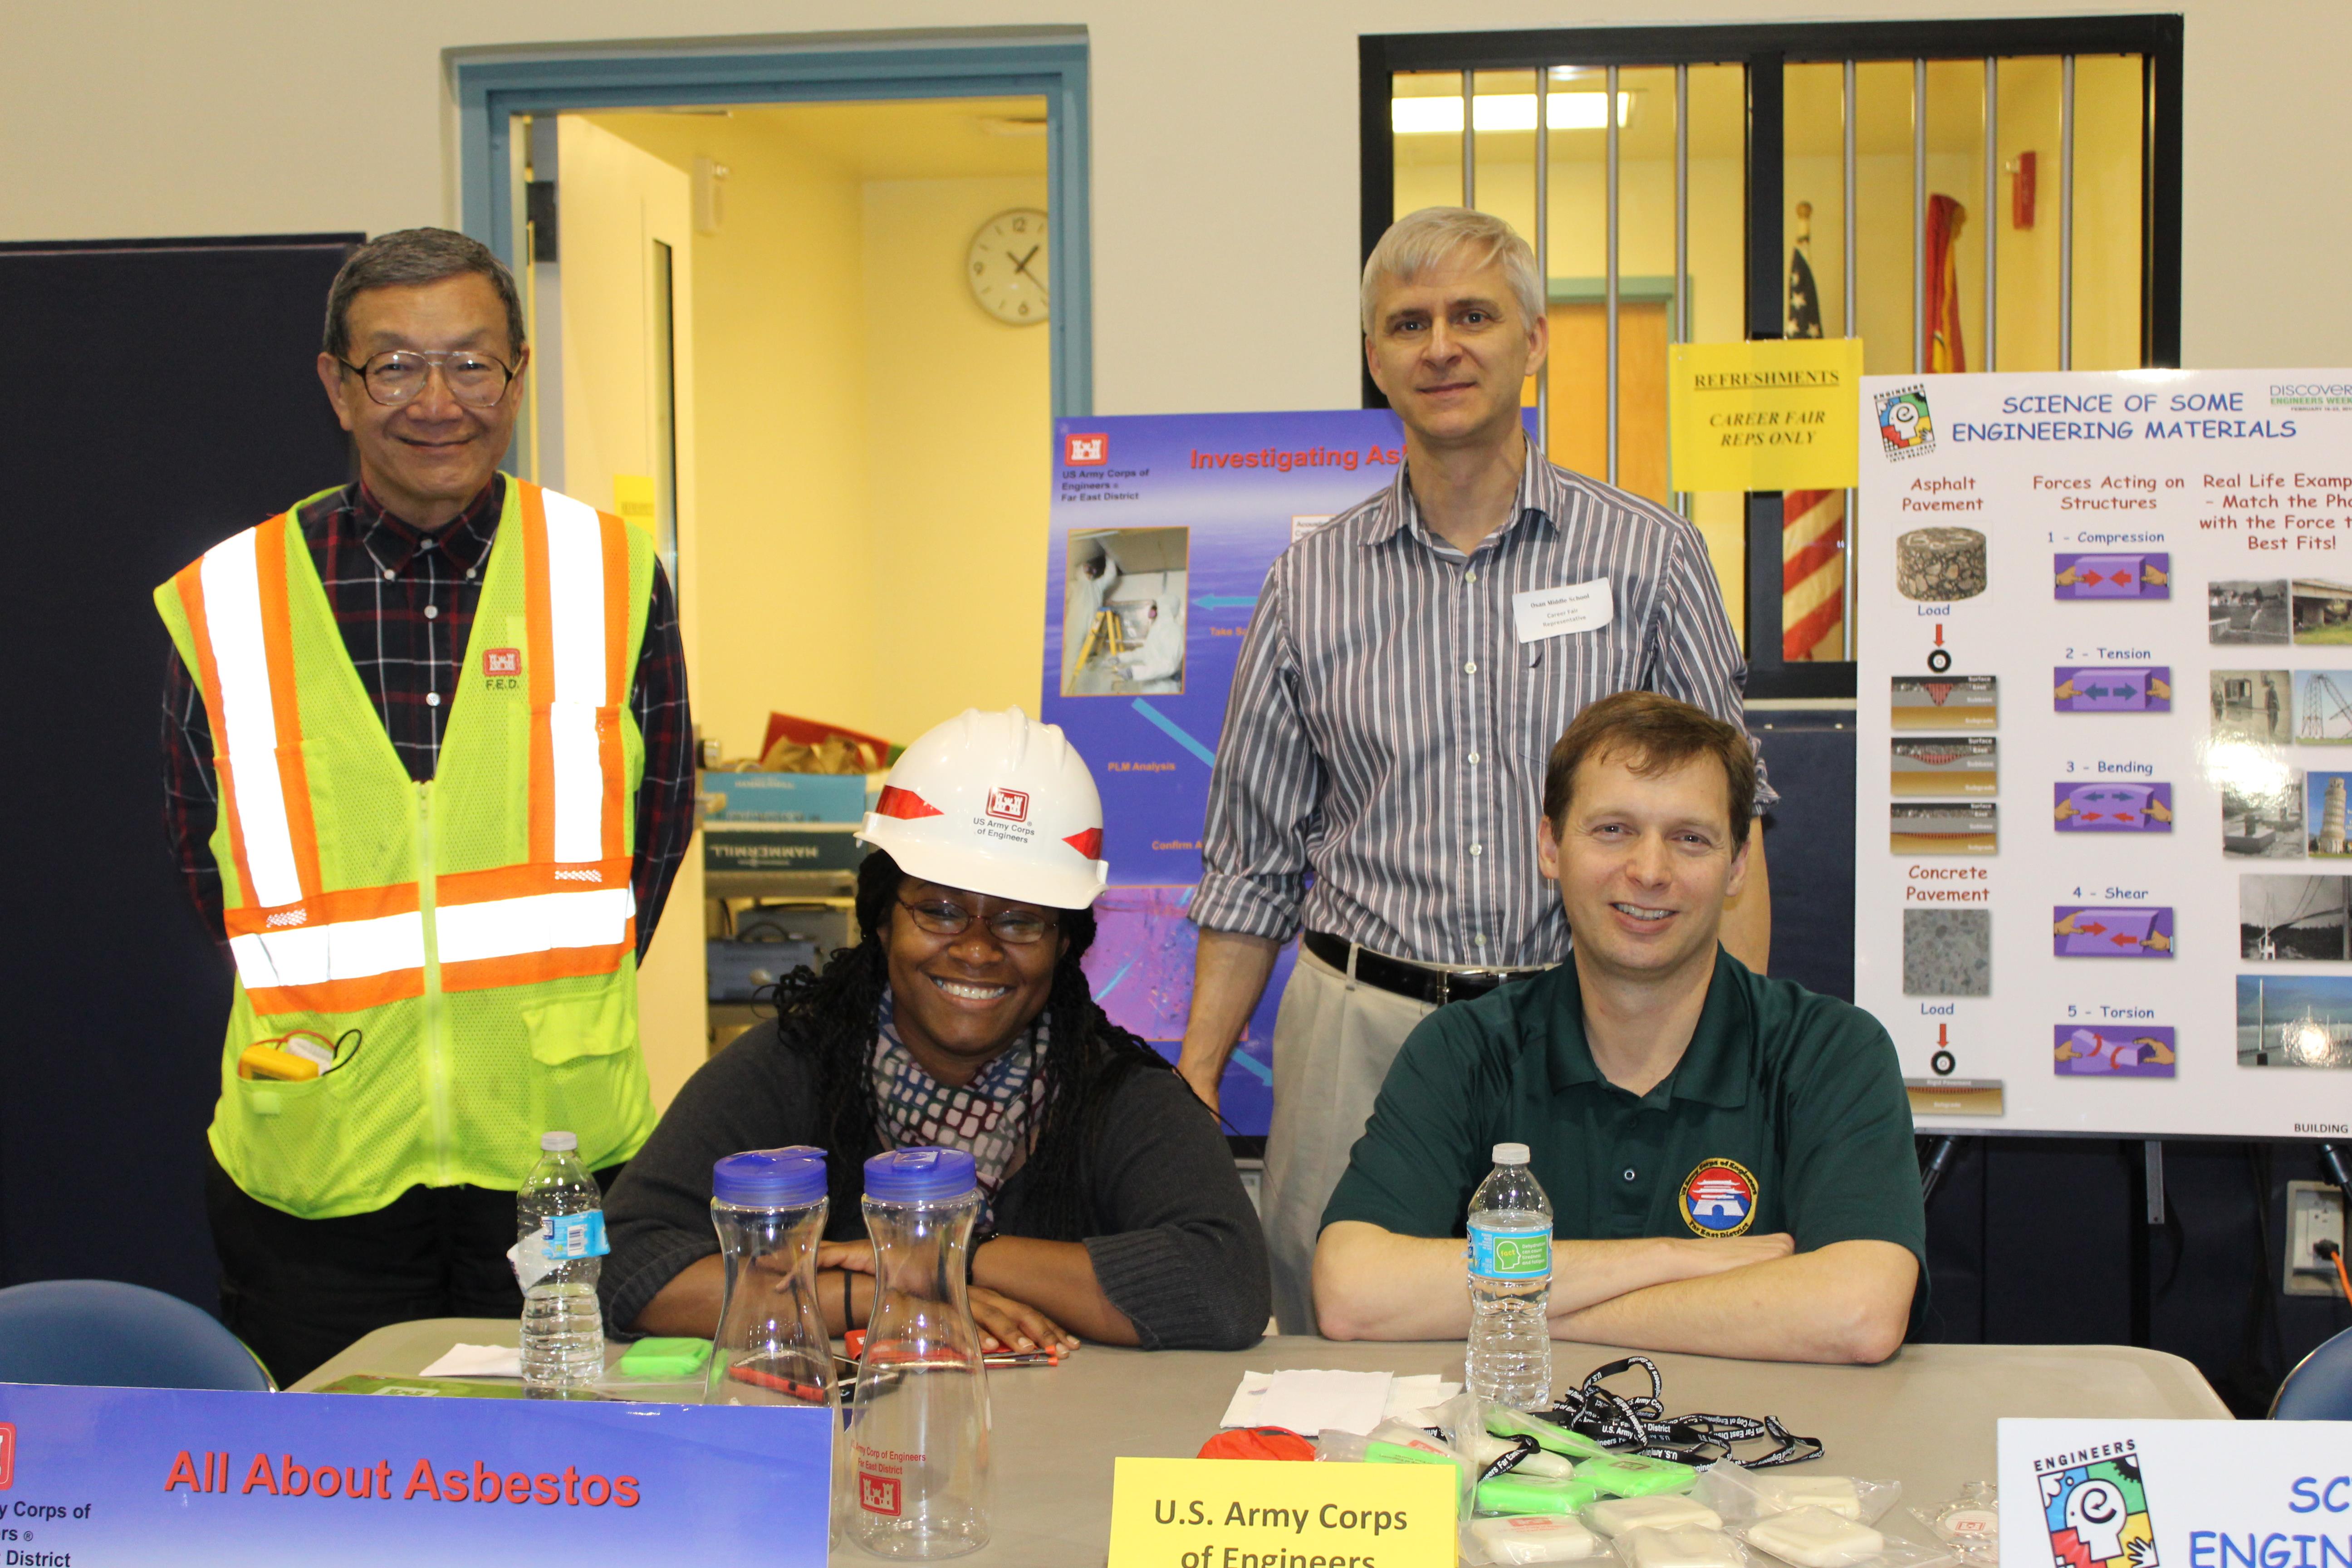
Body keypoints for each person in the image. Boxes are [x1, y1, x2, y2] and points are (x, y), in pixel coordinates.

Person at [1181, 206, 1772, 1332]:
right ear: (1374, 358)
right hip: (1360, 1030)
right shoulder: (1306, 586)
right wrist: (1197, 1079)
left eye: (1473, 316)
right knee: (1338, 1336)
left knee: (1601, 1325)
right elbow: (1250, 862)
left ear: (1535, 341)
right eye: (1407, 323)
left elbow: (1729, 836)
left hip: (1589, 1026)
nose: (1440, 346)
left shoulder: (1652, 558)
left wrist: (1728, 1060)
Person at [156, 227, 695, 1384]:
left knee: (565, 1481)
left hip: (558, 1153)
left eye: (471, 362)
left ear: (518, 374)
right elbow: (208, 871)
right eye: (394, 366)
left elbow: (657, 832)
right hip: (318, 1161)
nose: (437, 400)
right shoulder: (233, 599)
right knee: (336, 1496)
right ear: (336, 387)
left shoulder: (611, 575)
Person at [602, 708, 1269, 1353]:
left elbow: (1225, 1286)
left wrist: (954, 1254)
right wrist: (886, 1290)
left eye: (1020, 920)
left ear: (1065, 943)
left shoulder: (1115, 1092)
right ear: (883, 919)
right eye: (941, 910)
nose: (977, 950)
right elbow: (630, 1265)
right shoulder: (794, 1065)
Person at [1312, 692, 1920, 1363]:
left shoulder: (1830, 1053)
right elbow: (1353, 1291)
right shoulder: (1465, 1050)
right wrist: (1670, 1261)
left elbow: (1860, 1313)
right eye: (1612, 830)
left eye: (1691, 838)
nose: (1650, 871)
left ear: (1739, 865)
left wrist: (1526, 1310)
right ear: (1551, 846)